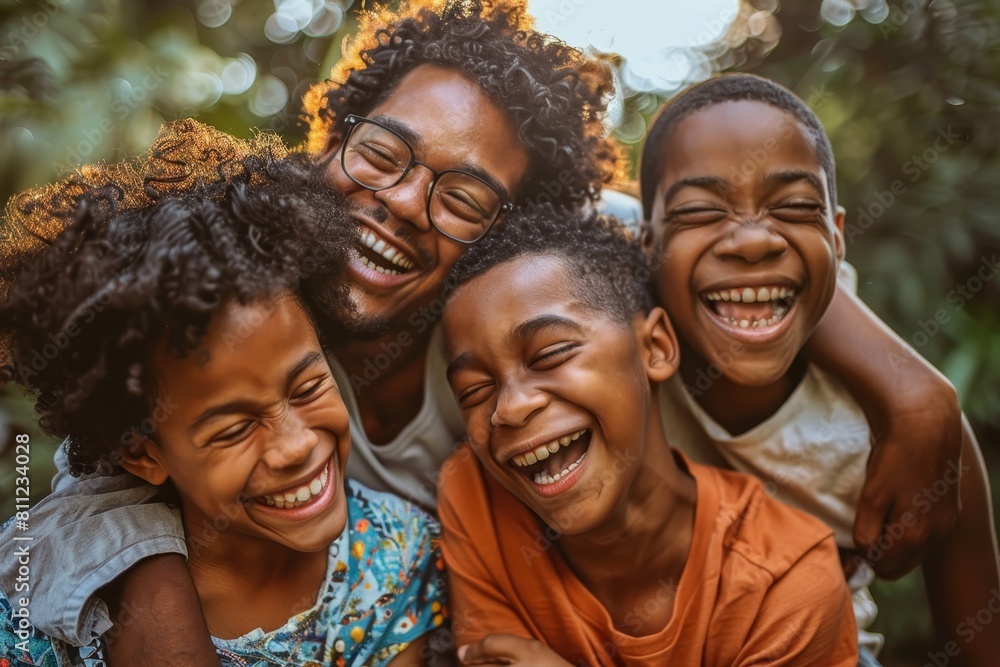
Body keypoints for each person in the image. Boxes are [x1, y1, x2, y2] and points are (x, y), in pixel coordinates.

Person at [0, 0, 970, 663]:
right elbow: (129, 443)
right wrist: (155, 591)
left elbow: (739, 246)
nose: (401, 204)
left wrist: (914, 389)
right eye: (382, 152)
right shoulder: (247, 288)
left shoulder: (546, 282)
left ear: (504, 234)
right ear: (330, 141)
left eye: (463, 195)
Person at [0, 147, 446, 665]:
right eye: (234, 429)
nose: (296, 445)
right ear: (143, 454)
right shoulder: (46, 628)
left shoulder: (395, 558)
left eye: (306, 388)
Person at [638, 73, 1000, 665]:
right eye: (702, 210)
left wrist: (920, 401)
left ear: (836, 235)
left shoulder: (912, 442)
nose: (753, 240)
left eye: (795, 207)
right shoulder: (597, 308)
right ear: (643, 241)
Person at [435, 206, 858, 666]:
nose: (509, 409)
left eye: (550, 354)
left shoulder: (786, 581)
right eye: (475, 391)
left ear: (654, 348)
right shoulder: (473, 498)